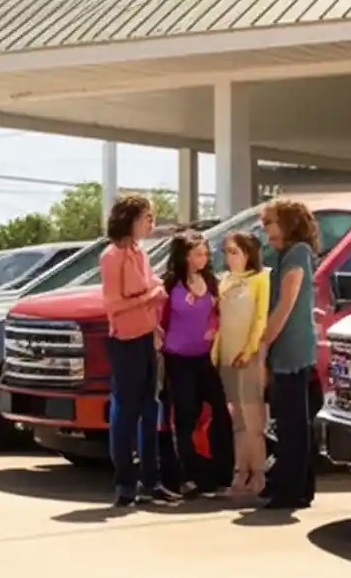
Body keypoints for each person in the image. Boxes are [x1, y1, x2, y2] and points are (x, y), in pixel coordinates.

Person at [100, 194, 175, 507]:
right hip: (125, 341)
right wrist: (150, 298)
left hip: (146, 338)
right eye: (146, 217)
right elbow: (114, 304)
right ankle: (125, 485)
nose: (151, 223)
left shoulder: (140, 253)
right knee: (125, 413)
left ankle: (151, 480)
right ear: (129, 219)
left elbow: (151, 285)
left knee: (150, 408)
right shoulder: (112, 256)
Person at [159, 230, 234, 499]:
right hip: (178, 360)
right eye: (198, 253)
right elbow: (160, 319)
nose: (203, 258)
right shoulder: (170, 285)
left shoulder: (211, 281)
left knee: (220, 412)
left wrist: (213, 328)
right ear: (185, 256)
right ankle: (187, 476)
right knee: (185, 417)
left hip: (203, 358)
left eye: (205, 253)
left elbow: (216, 313)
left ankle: (222, 474)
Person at [258, 198, 320, 510]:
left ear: (287, 222)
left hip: (292, 348)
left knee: (292, 423)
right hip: (287, 347)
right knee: (291, 420)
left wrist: (265, 342)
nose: (265, 229)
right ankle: (297, 487)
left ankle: (291, 490)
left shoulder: (297, 254)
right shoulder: (283, 253)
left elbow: (286, 303)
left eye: (269, 222)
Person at [213, 231, 271, 497]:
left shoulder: (261, 278)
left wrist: (250, 351)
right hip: (226, 355)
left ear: (249, 253)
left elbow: (260, 318)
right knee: (236, 418)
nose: (230, 257)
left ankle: (258, 472)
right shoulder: (224, 281)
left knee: (253, 419)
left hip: (248, 356)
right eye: (227, 252)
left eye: (235, 251)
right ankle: (240, 471)